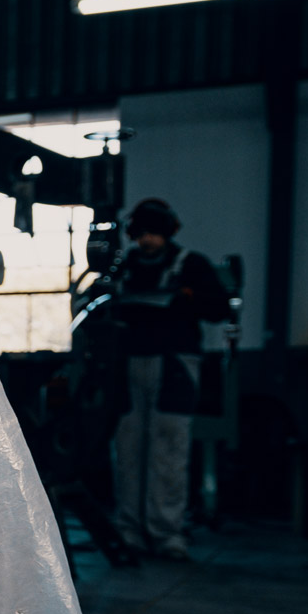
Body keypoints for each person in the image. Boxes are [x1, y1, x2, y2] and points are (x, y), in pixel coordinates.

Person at [104, 198, 232, 559]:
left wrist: (188, 300)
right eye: (141, 234)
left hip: (175, 366)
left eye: (153, 234)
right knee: (129, 450)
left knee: (170, 450)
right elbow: (99, 303)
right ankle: (130, 529)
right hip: (129, 366)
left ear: (169, 232)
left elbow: (219, 308)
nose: (147, 241)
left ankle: (166, 532)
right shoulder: (124, 267)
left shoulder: (191, 265)